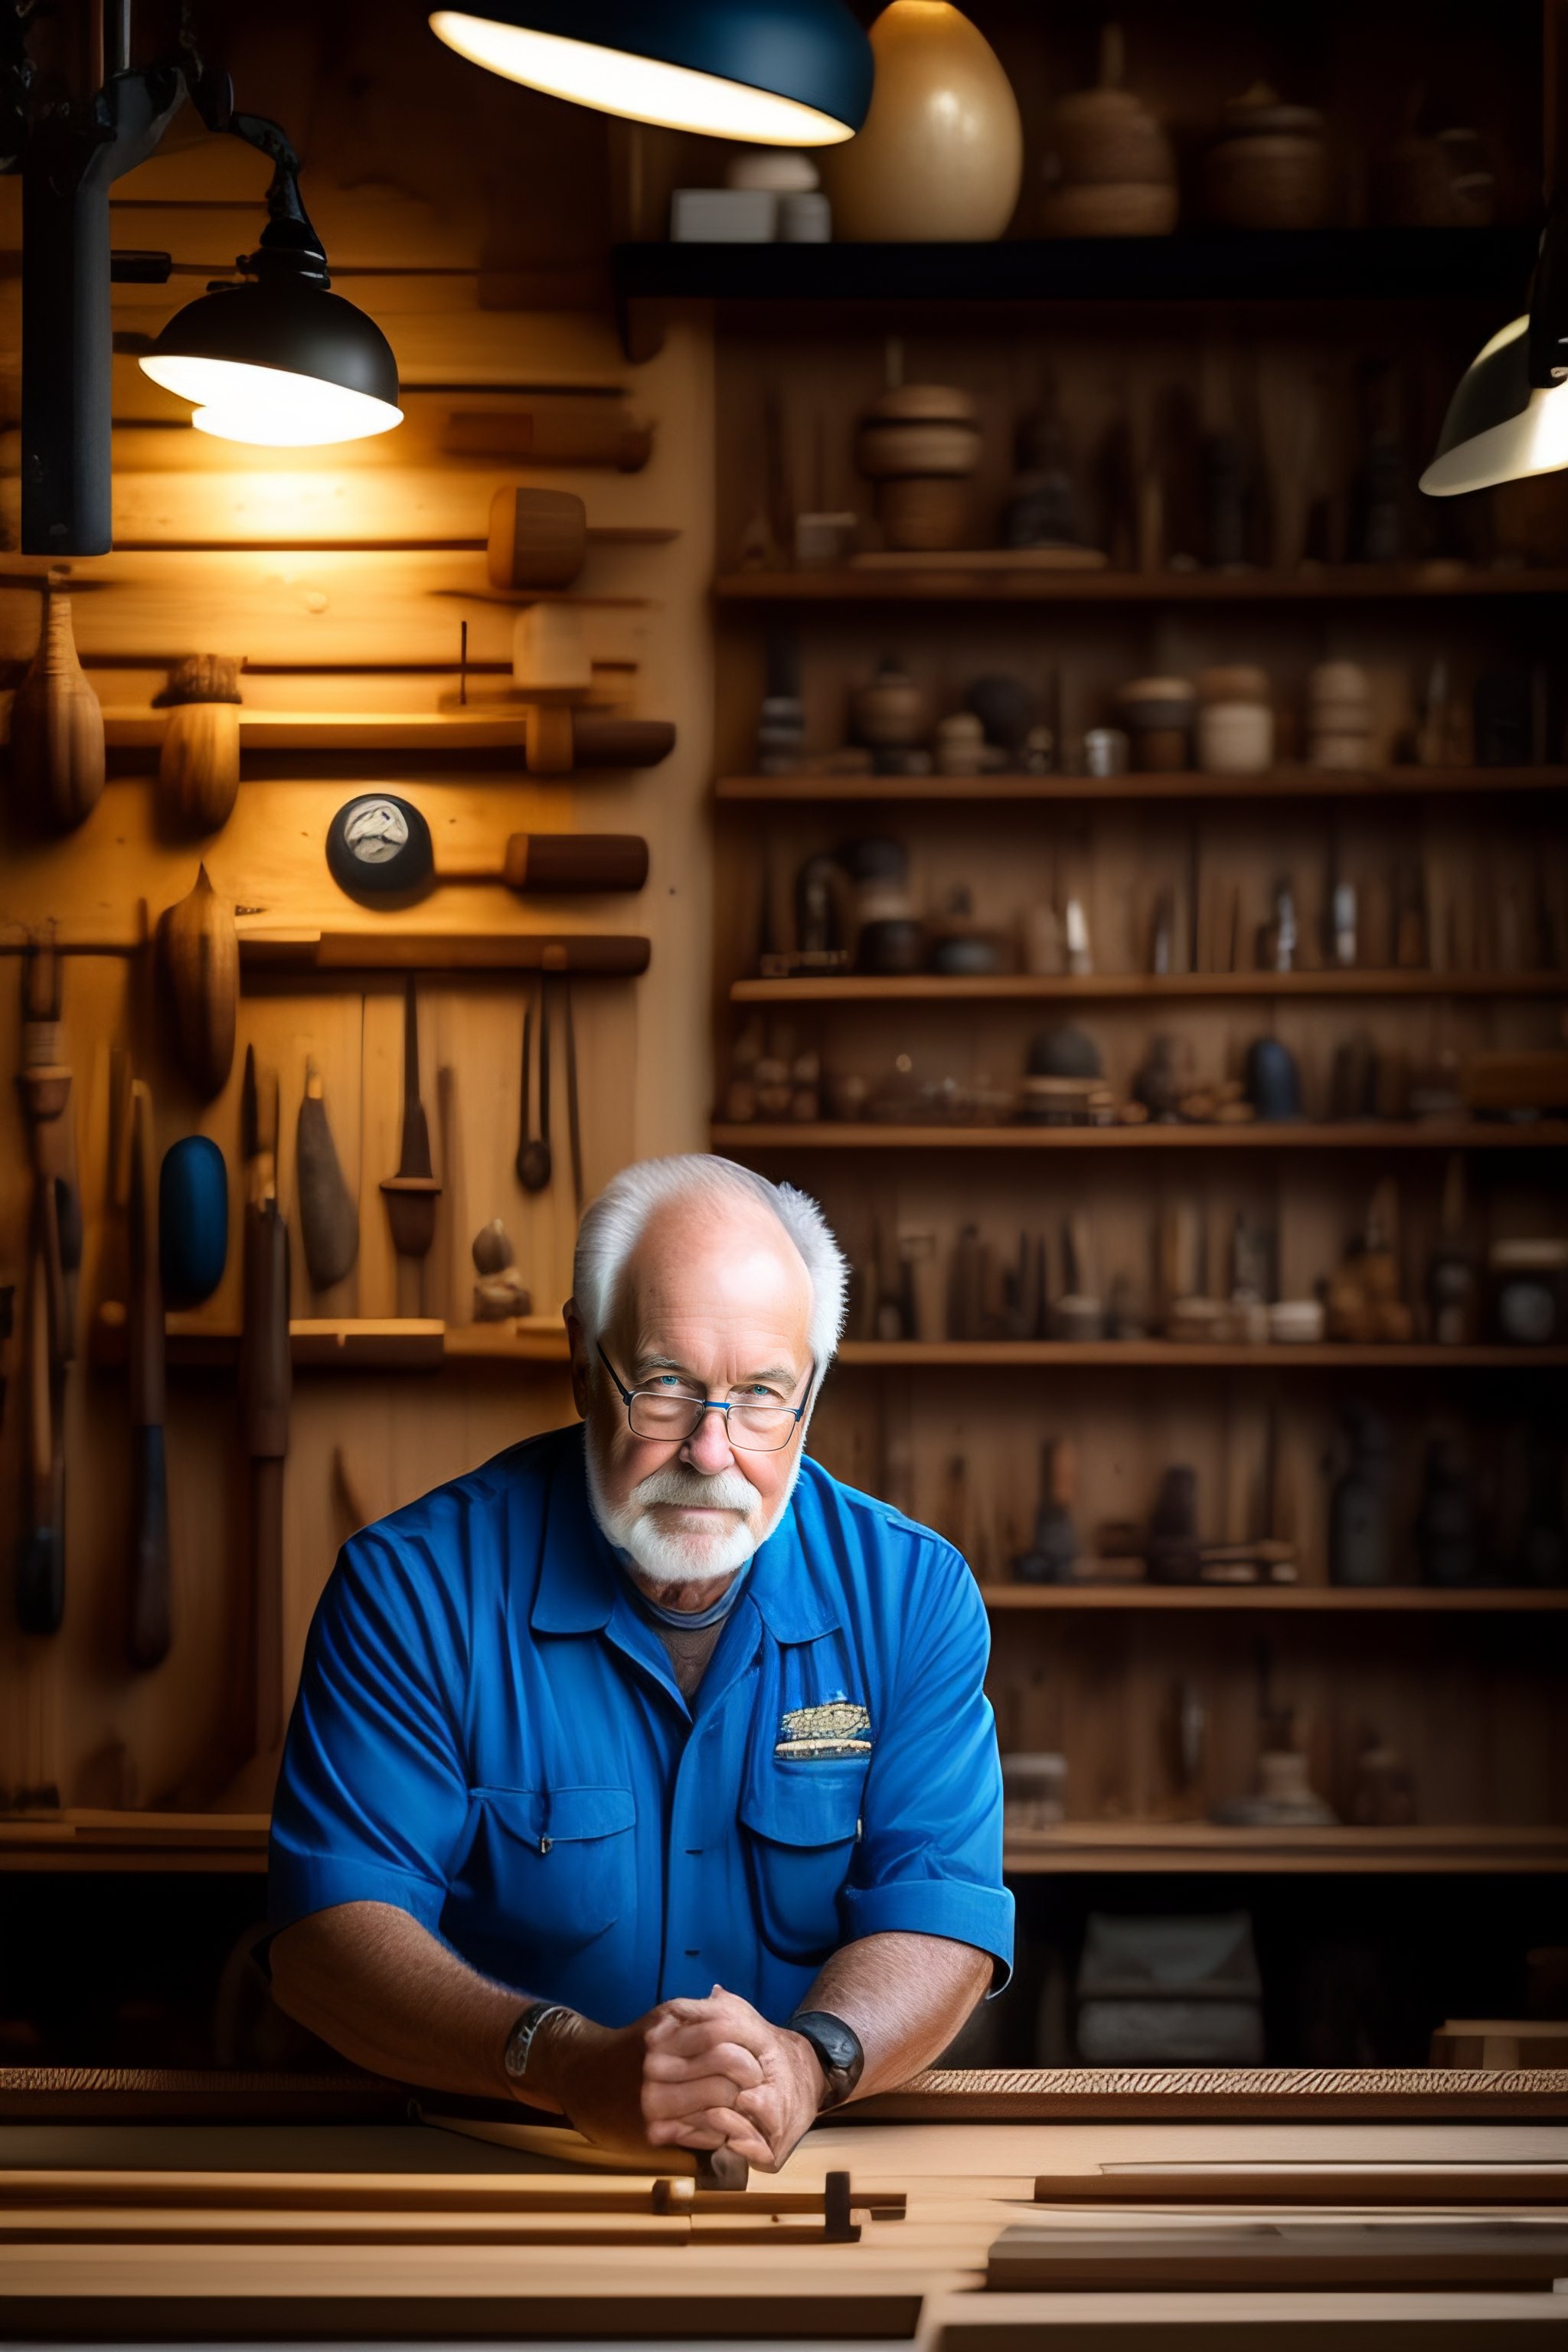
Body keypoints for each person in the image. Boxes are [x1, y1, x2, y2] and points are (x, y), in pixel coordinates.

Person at [268, 1155, 1011, 2171]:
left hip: (797, 2169)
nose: (712, 1450)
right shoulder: (411, 1592)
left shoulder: (912, 1598)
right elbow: (327, 1938)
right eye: (665, 1386)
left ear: (814, 1393)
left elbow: (942, 1912)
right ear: (584, 1360)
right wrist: (561, 2063)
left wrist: (808, 2064)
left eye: (762, 1396)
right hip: (487, 2168)